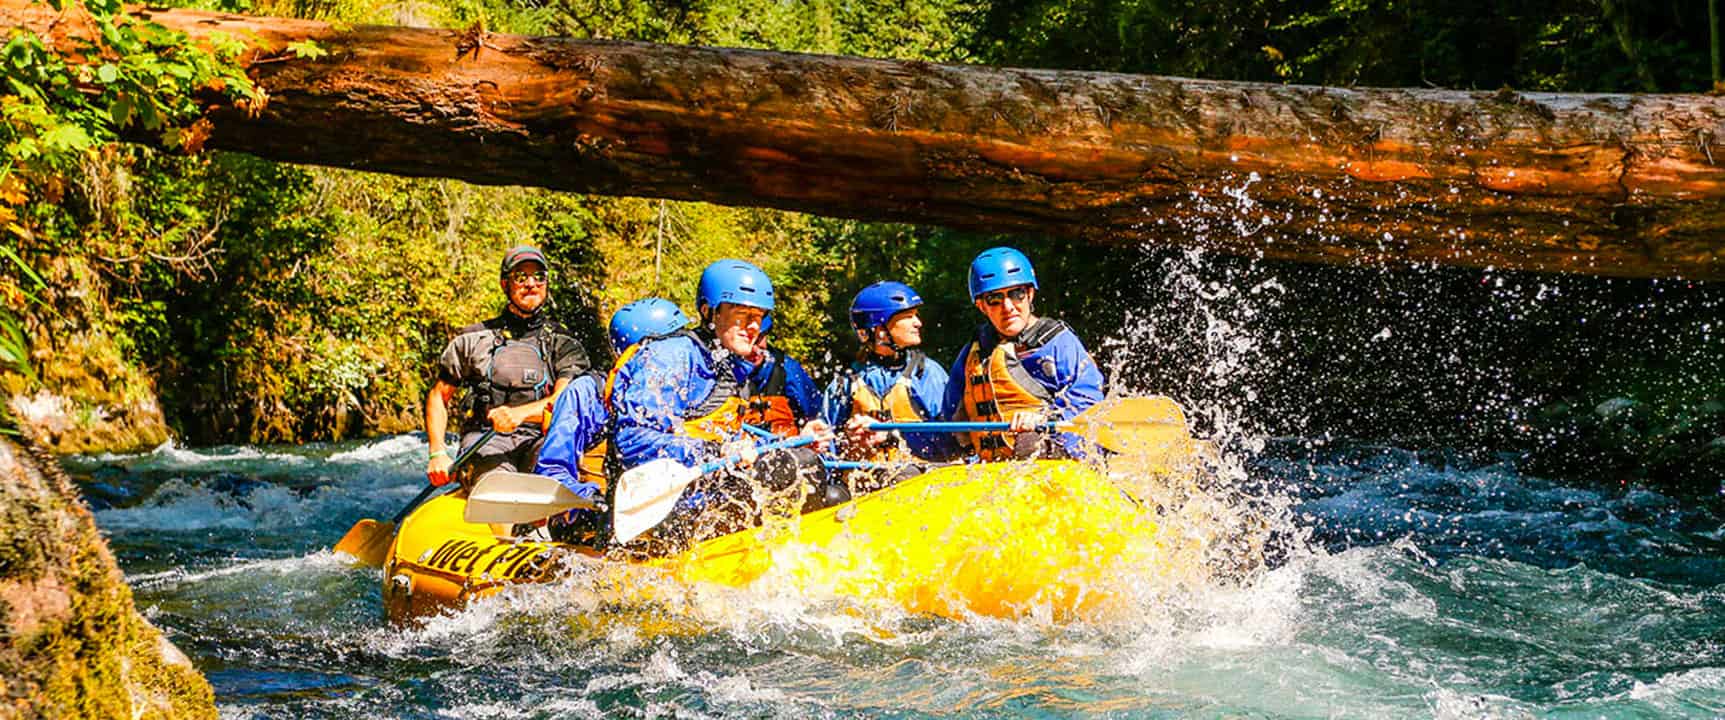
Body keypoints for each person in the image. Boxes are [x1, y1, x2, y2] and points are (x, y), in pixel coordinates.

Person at [608, 260, 833, 550]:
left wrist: (796, 439)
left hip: (709, 493)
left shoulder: (729, 365)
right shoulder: (672, 356)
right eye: (742, 315)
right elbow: (632, 439)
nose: (753, 327)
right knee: (795, 467)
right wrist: (713, 452)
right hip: (669, 508)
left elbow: (734, 443)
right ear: (709, 311)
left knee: (824, 485)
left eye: (759, 317)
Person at [424, 246, 589, 487]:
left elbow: (565, 400)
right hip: (485, 440)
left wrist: (519, 414)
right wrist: (437, 452)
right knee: (499, 483)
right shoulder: (471, 339)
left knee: (557, 475)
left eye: (539, 276)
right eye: (521, 277)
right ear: (505, 284)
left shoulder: (563, 342)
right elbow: (439, 395)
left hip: (541, 440)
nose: (531, 284)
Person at [530, 298, 691, 543]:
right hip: (592, 526)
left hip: (663, 525)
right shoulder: (586, 393)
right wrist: (588, 496)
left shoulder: (682, 393)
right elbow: (552, 471)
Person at [941, 247, 1105, 461]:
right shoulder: (974, 350)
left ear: (1030, 294)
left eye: (1016, 294)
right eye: (994, 299)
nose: (1008, 307)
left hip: (1058, 455)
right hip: (991, 465)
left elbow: (1089, 400)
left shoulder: (1057, 342)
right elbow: (949, 420)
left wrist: (1045, 418)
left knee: (1029, 442)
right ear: (981, 306)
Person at [822, 281, 956, 478]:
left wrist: (891, 434)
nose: (918, 323)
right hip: (865, 482)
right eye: (908, 316)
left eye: (915, 315)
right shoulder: (845, 384)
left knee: (904, 475)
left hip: (920, 479)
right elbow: (828, 449)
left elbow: (950, 442)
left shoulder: (927, 374)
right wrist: (847, 440)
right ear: (879, 329)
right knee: (834, 492)